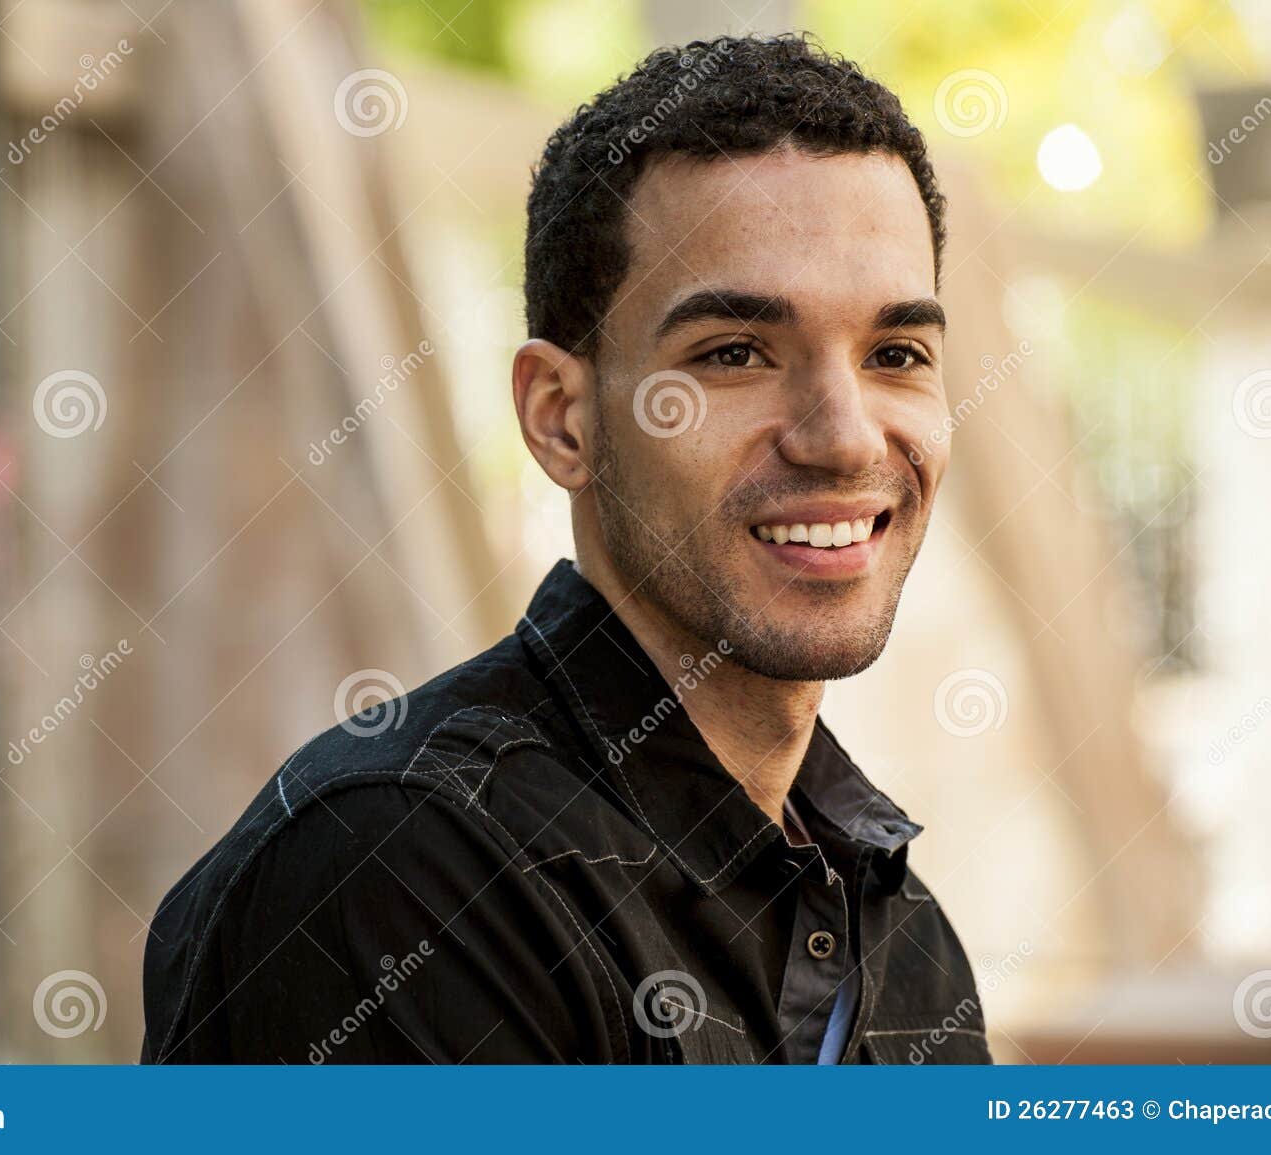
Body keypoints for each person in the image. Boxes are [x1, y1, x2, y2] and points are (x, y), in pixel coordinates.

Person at [142, 32, 988, 1064]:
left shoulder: (903, 939)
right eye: (732, 355)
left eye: (895, 354)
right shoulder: (407, 871)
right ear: (561, 417)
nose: (844, 434)